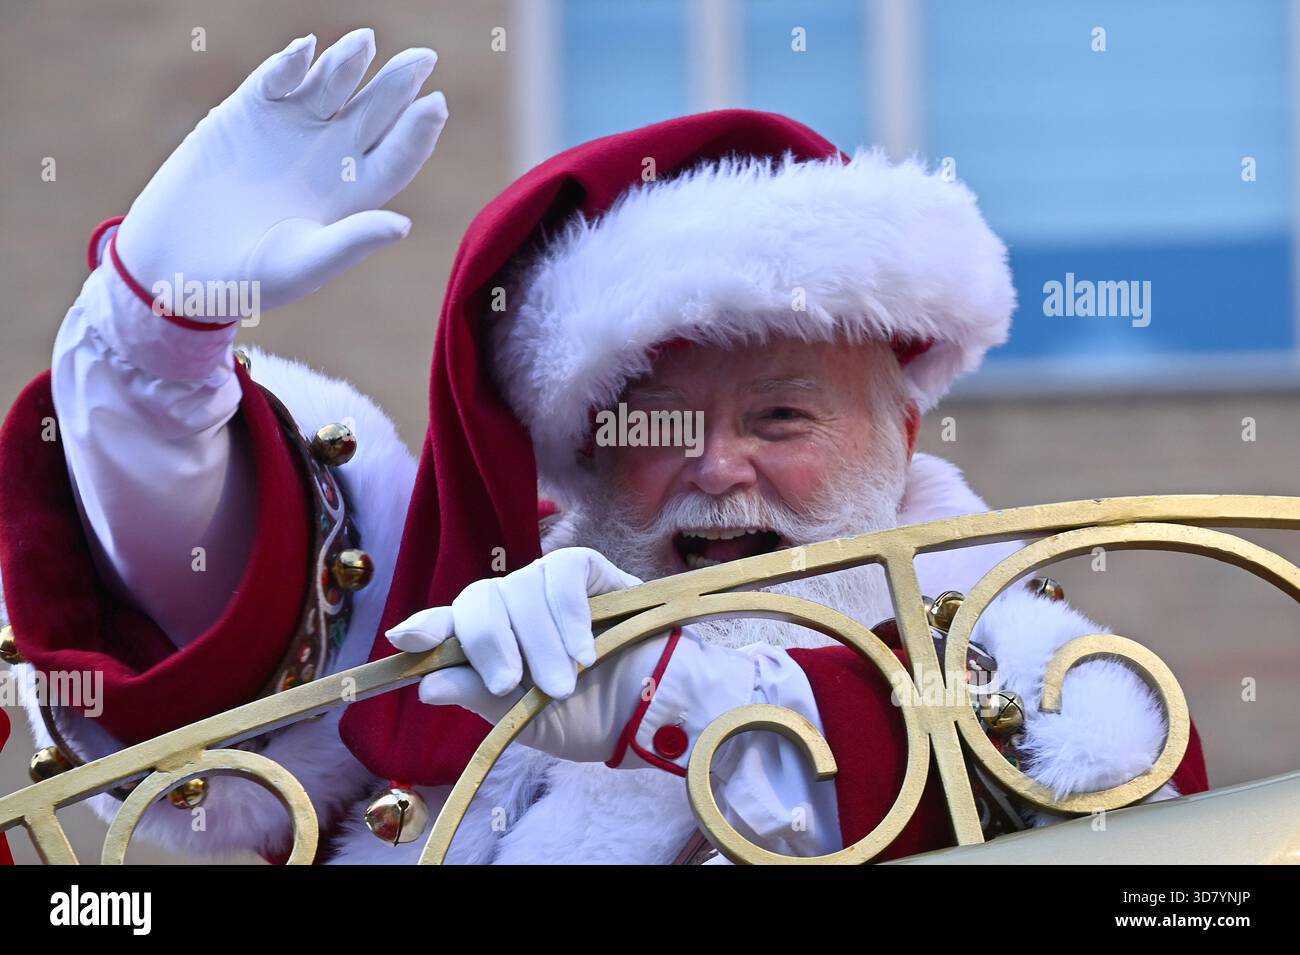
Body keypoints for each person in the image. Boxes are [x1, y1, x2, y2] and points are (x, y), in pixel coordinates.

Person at [0, 28, 1206, 865]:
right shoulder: (479, 642)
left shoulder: (1050, 684)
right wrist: (153, 347)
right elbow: (220, 581)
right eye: (658, 423)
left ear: (899, 429)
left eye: (781, 416)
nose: (717, 465)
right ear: (578, 460)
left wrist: (671, 703)